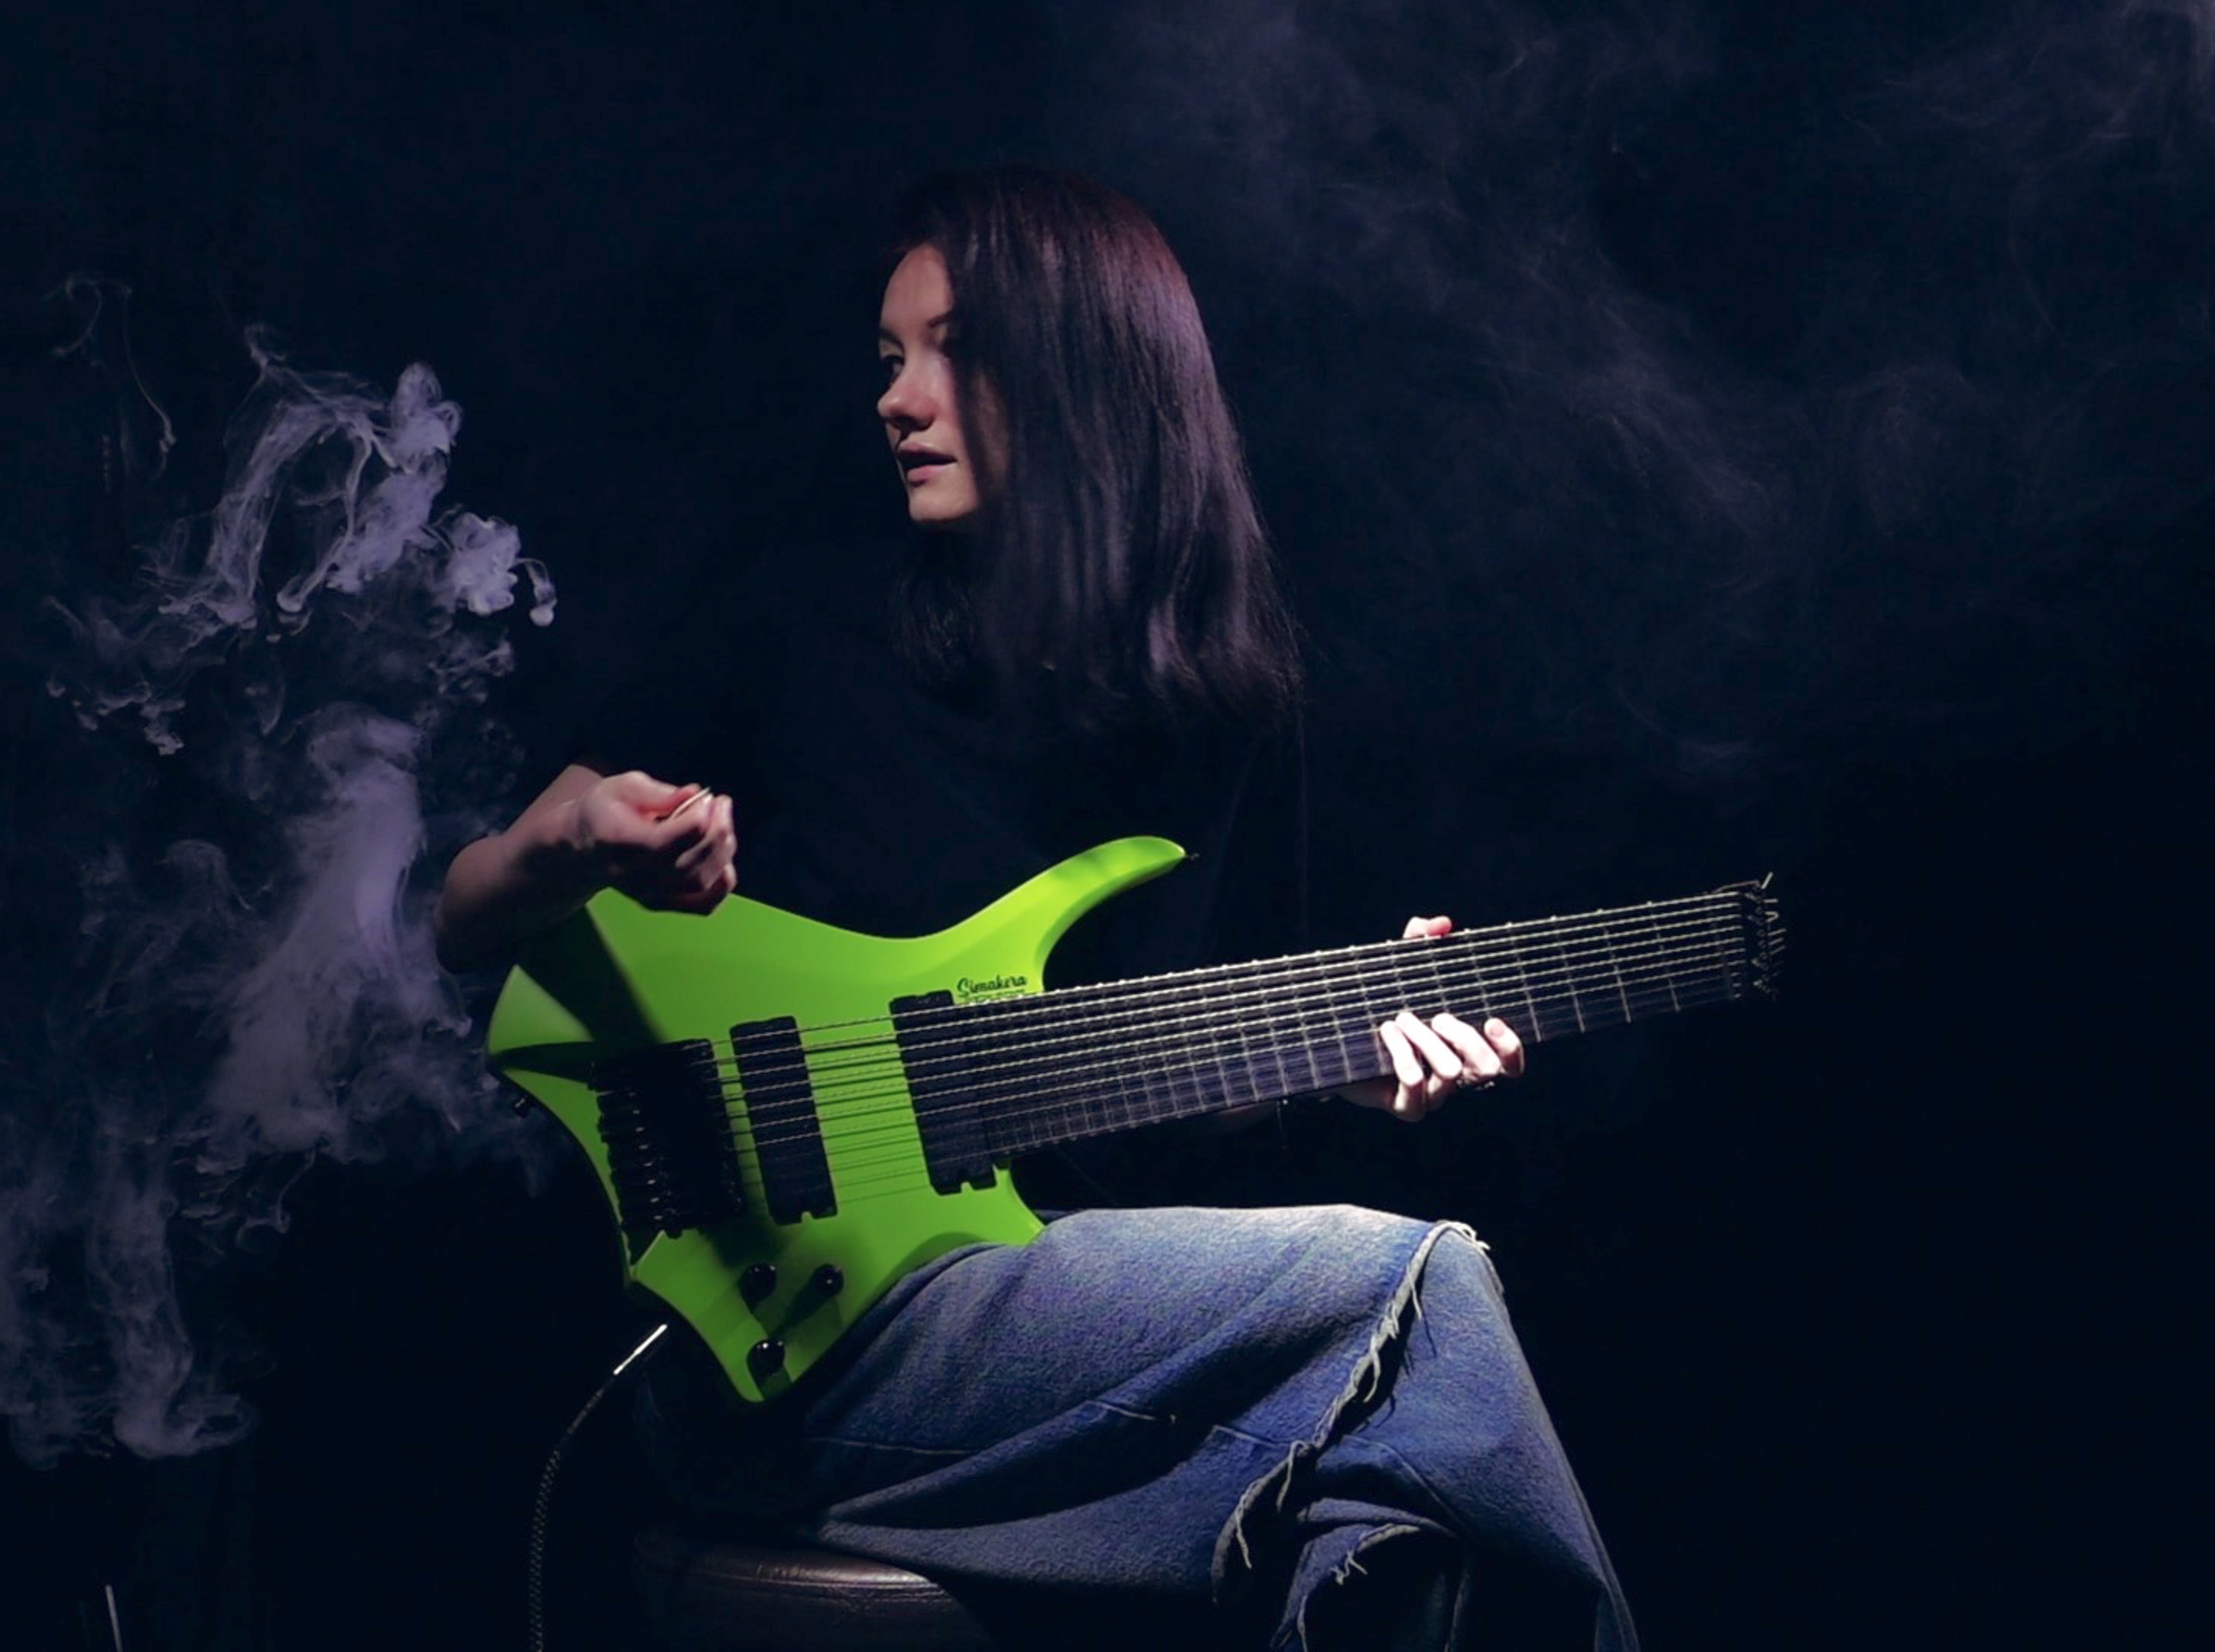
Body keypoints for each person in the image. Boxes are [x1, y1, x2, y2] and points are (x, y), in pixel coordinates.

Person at [435, 167, 1639, 1650]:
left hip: (1066, 1323)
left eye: (955, 351)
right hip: (792, 1356)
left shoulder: (1223, 705)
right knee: (1423, 1289)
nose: (898, 398)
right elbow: (462, 919)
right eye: (891, 356)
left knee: (1392, 1527)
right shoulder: (801, 617)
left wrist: (1341, 1056)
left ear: (1087, 371)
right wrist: (568, 841)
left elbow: (1160, 1117)